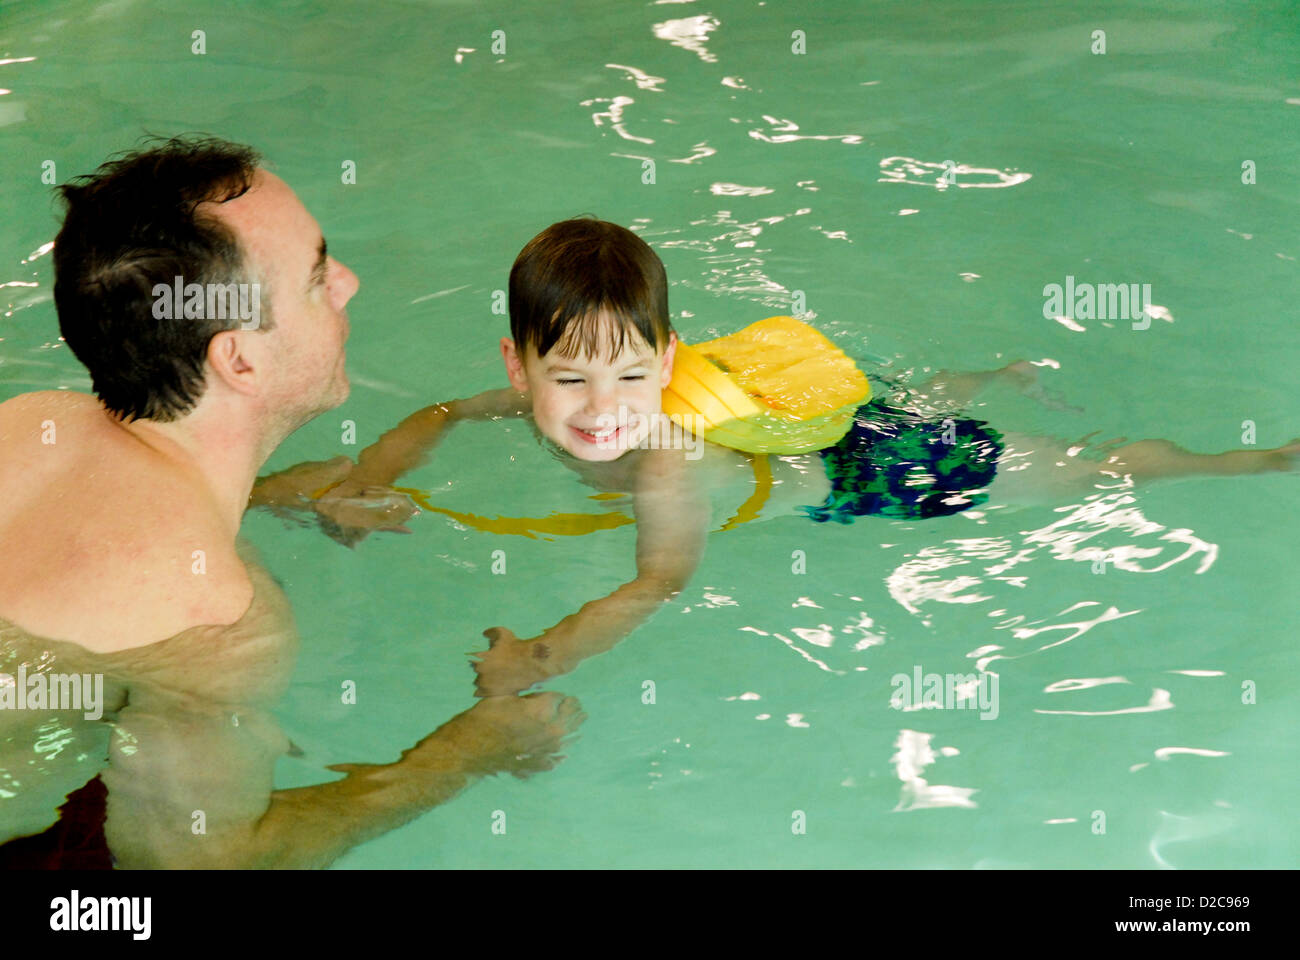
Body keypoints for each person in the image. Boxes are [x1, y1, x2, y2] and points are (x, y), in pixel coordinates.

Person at [295, 217, 1300, 698]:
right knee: (907, 398)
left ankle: (1242, 464)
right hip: (805, 427)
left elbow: (658, 583)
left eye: (629, 380)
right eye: (568, 382)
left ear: (670, 362)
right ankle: (985, 372)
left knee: (1085, 470)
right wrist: (360, 479)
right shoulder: (521, 400)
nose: (600, 412)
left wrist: (542, 657)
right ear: (517, 370)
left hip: (871, 473)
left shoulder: (667, 467)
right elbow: (433, 414)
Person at [0, 136, 580, 868]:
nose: (349, 282)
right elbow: (210, 862)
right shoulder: (219, 626)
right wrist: (465, 752)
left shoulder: (27, 426)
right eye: (315, 277)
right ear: (238, 358)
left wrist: (267, 494)